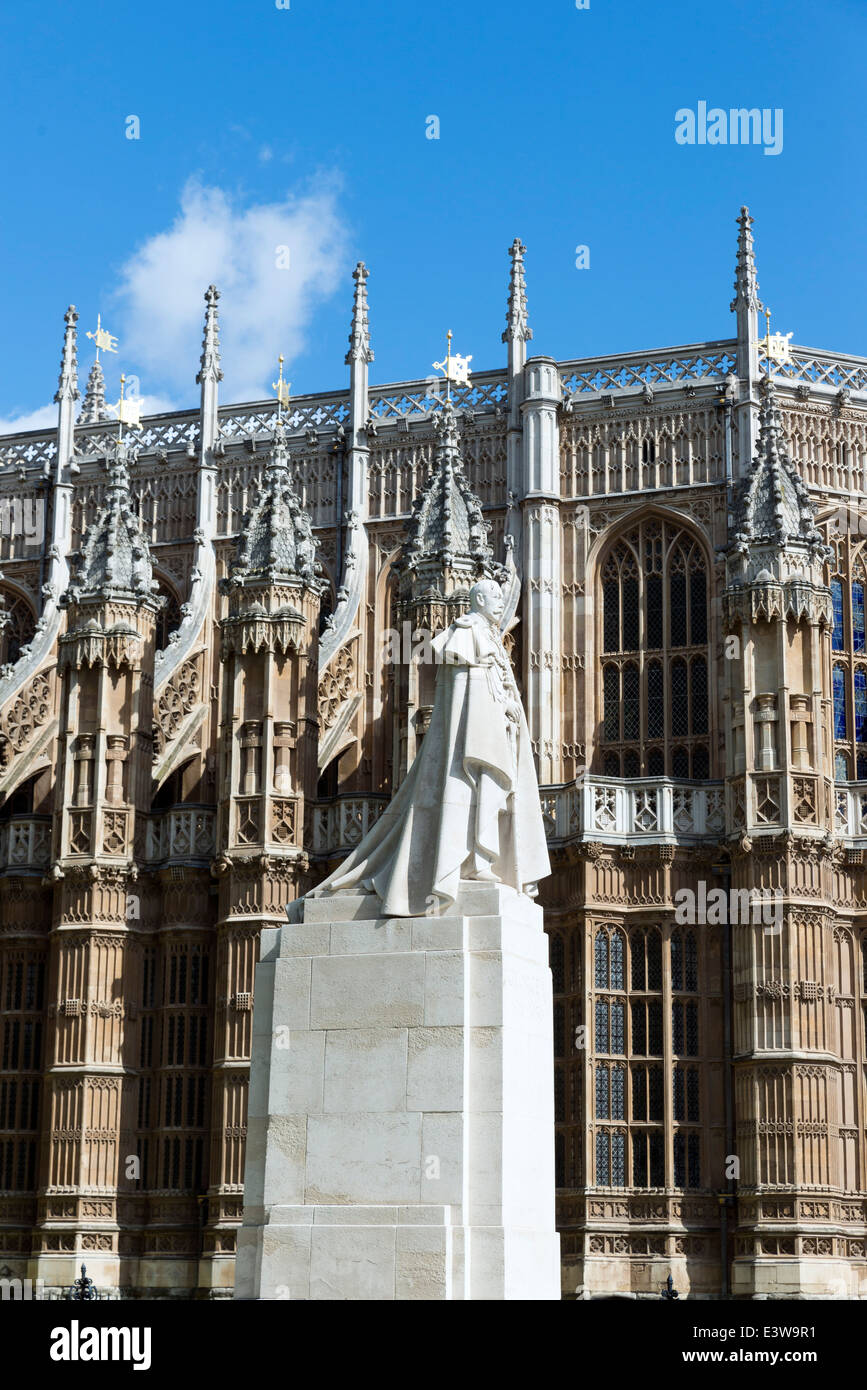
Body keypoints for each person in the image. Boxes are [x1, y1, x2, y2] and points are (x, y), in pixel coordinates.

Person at [308, 577, 550, 916]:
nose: (499, 601)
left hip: (495, 737)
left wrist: (508, 710)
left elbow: (494, 691)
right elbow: (466, 695)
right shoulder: (464, 633)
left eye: (500, 595)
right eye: (491, 595)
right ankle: (470, 862)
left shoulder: (491, 637)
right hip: (476, 740)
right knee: (476, 797)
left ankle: (481, 859)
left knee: (493, 800)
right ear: (476, 600)